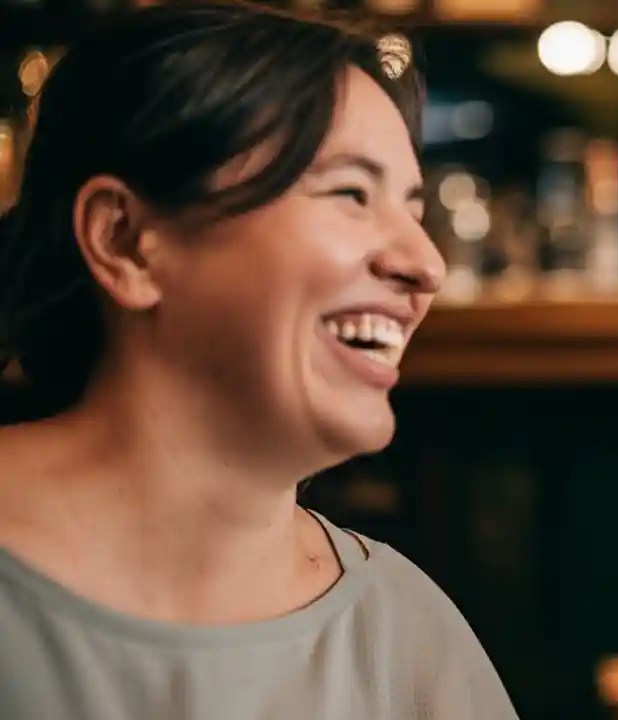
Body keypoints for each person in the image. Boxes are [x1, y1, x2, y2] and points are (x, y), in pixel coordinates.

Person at [0, 3, 518, 719]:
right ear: (126, 240)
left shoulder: (403, 633)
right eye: (350, 193)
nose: (425, 264)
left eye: (411, 205)